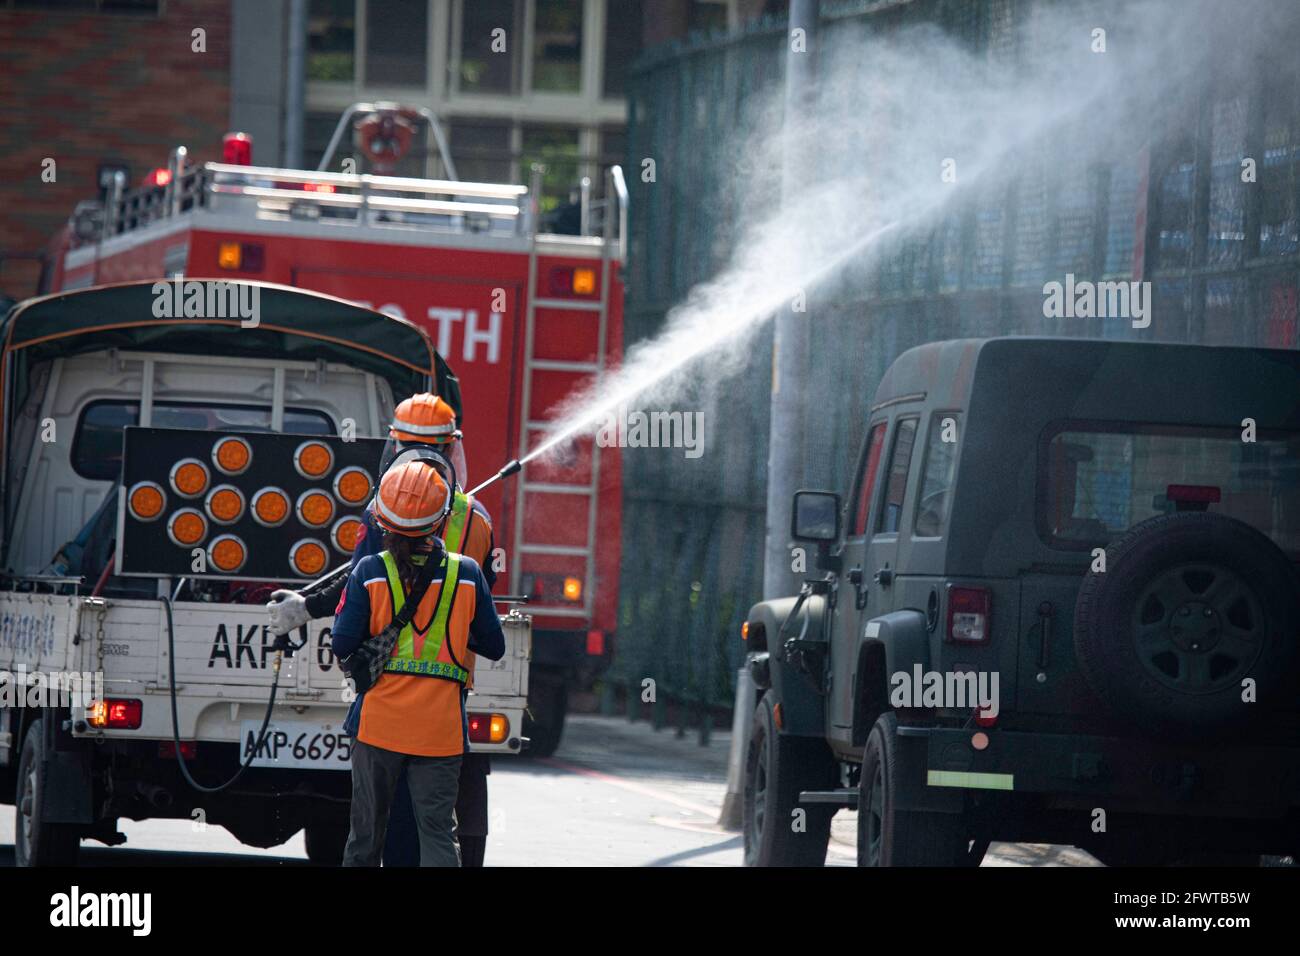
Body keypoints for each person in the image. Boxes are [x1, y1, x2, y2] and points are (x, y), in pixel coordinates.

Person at [267, 392, 499, 865]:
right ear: (451, 447)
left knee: (367, 834)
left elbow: (347, 628)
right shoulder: (476, 524)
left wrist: (306, 608)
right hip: (445, 707)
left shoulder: (378, 534)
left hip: (381, 714)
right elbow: (487, 631)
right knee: (436, 829)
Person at [333, 460, 504, 866]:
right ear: (442, 519)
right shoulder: (467, 574)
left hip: (378, 728)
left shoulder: (369, 571)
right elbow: (494, 646)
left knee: (365, 838)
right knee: (438, 834)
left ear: (382, 520)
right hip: (440, 731)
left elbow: (342, 643)